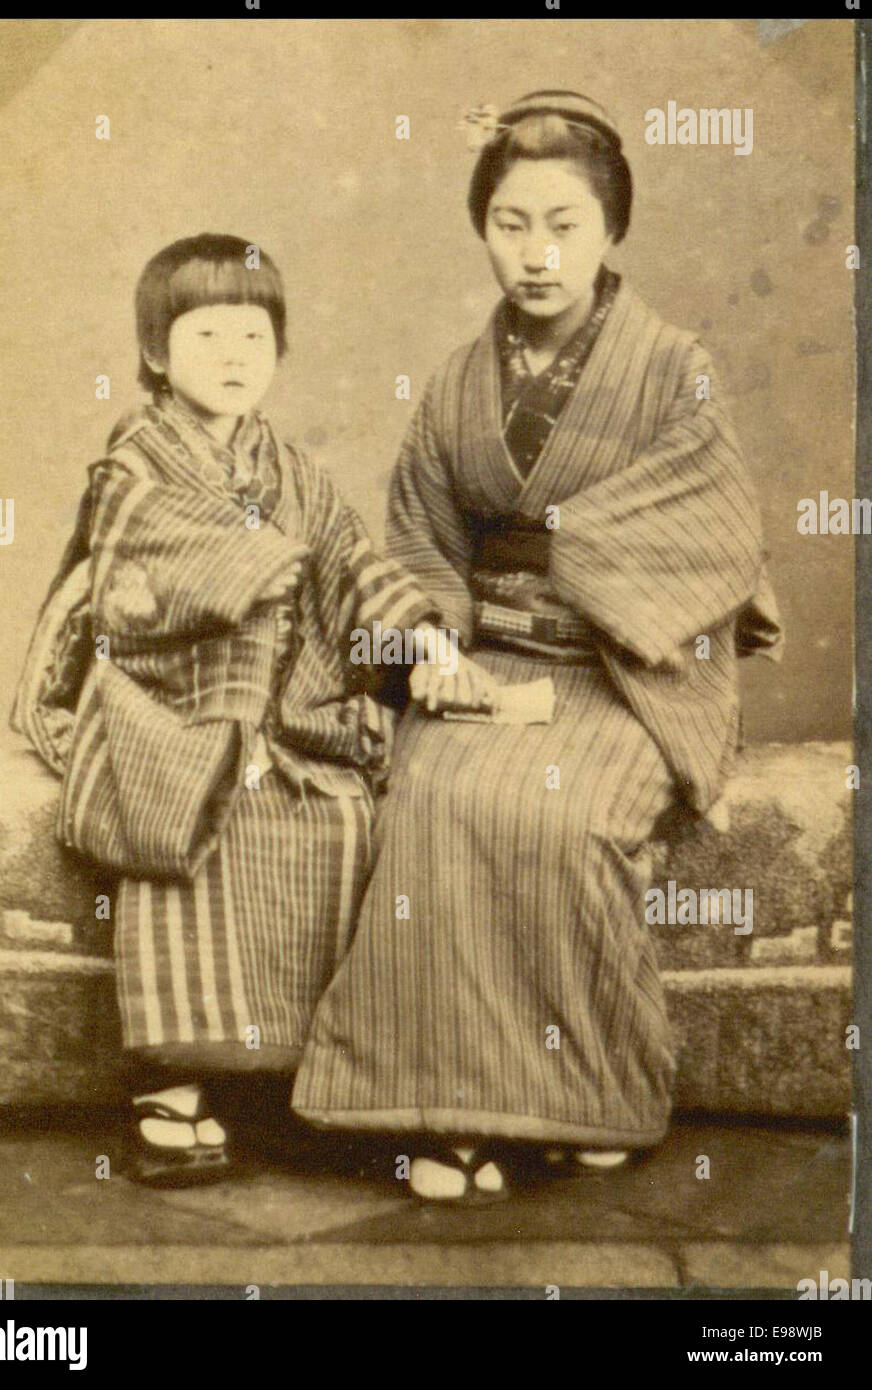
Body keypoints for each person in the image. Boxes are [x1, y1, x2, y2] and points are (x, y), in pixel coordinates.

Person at [292, 91, 782, 1201]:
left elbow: (717, 526)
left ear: (611, 229)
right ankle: (443, 1111)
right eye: (512, 223)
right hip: (491, 664)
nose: (538, 252)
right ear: (483, 228)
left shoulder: (669, 365)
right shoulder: (462, 381)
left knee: (555, 815)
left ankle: (587, 1091)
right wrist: (432, 646)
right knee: (427, 804)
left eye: (564, 222)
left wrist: (572, 546)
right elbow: (420, 536)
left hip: (629, 673)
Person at [12, 233, 439, 1186]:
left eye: (255, 335)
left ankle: (291, 1080)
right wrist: (263, 565)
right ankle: (174, 1087)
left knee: (336, 811)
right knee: (197, 812)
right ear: (157, 354)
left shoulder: (295, 470)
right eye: (207, 335)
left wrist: (422, 639)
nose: (236, 357)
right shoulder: (134, 462)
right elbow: (134, 573)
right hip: (161, 702)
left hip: (283, 712)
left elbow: (354, 562)